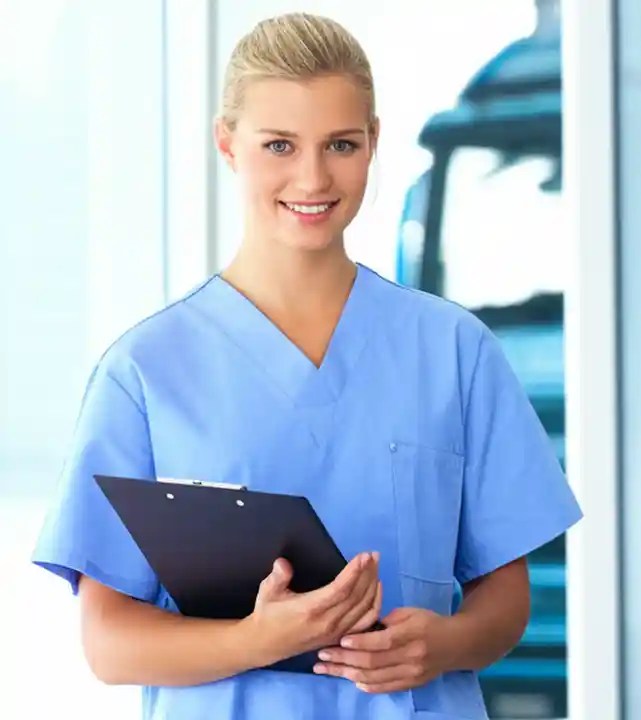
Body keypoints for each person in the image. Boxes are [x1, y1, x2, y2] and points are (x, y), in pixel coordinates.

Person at [30, 12, 581, 719]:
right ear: (227, 143)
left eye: (341, 144)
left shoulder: (455, 351)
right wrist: (255, 640)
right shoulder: (145, 372)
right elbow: (109, 642)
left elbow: (504, 604)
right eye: (280, 145)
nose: (313, 177)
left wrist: (442, 645)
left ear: (374, 142)